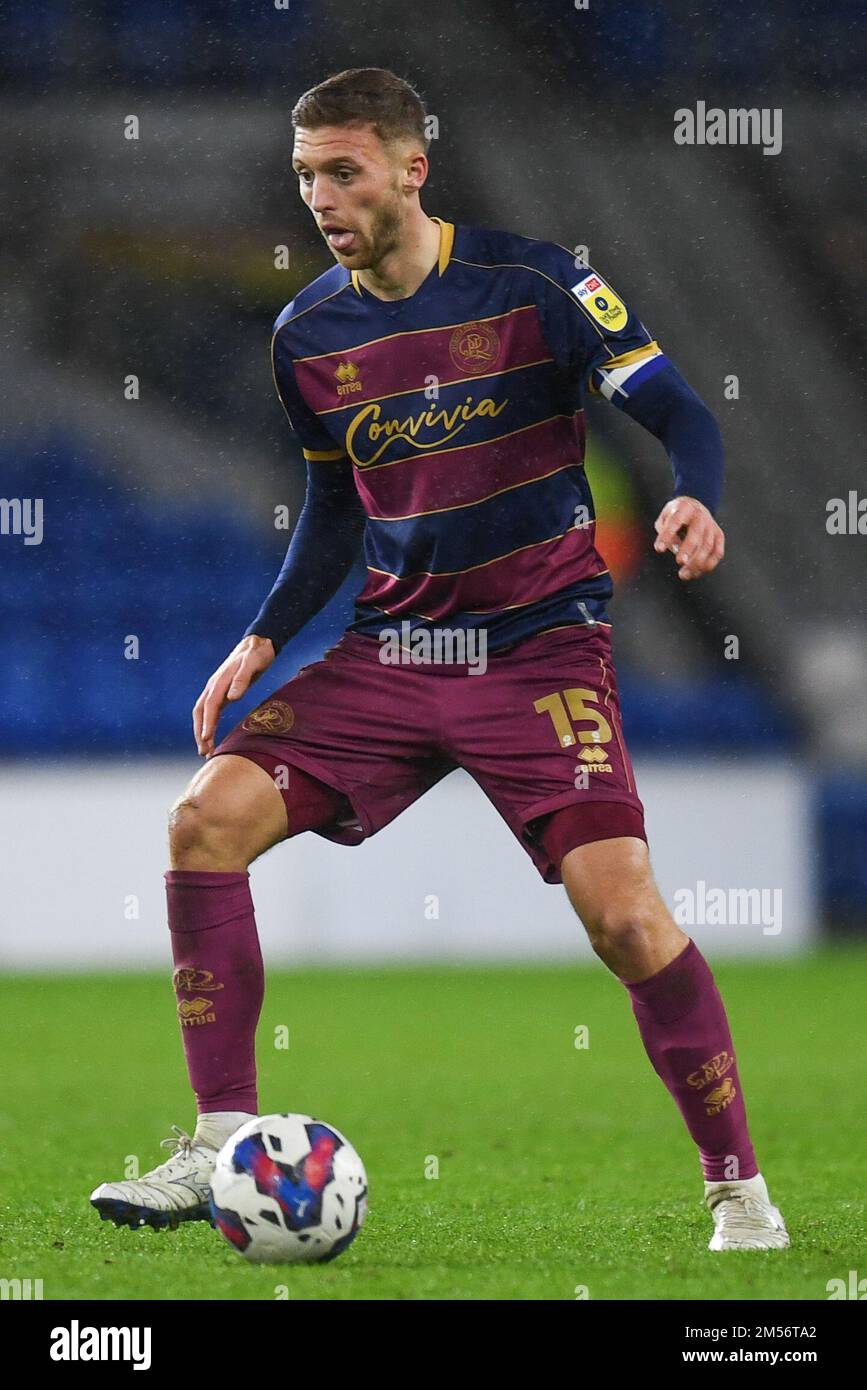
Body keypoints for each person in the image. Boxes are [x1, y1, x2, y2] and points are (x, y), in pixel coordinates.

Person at [91, 68, 788, 1252]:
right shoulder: (307, 333)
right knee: (203, 820)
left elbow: (684, 412)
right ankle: (217, 1141)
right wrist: (262, 635)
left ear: (414, 168)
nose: (320, 194)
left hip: (539, 650)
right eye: (305, 174)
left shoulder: (542, 283)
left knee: (623, 920)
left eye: (343, 170)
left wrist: (697, 500)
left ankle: (740, 1191)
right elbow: (333, 509)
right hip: (390, 651)